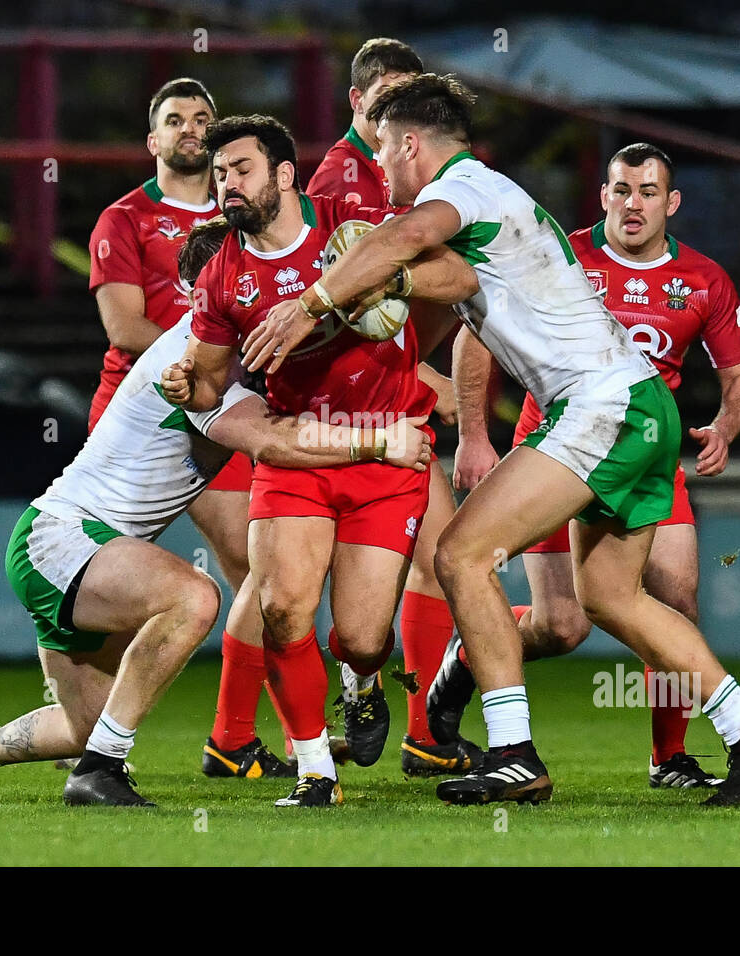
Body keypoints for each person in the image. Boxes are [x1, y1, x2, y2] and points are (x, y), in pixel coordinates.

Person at [256, 73, 740, 807]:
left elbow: (408, 239)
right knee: (610, 598)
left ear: (411, 143)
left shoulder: (465, 188)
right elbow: (446, 273)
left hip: (600, 407)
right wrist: (381, 282)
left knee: (461, 553)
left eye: (384, 148)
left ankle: (513, 751)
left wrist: (311, 302)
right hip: (637, 405)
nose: (380, 165)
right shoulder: (488, 202)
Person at [0, 220, 436, 808]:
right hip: (64, 540)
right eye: (246, 286)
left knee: (83, 727)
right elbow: (275, 441)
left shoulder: (232, 355)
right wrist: (382, 441)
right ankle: (100, 773)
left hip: (74, 549)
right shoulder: (195, 372)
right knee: (194, 597)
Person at [160, 114, 479, 807]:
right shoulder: (223, 277)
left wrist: (387, 282)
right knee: (281, 608)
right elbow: (212, 380)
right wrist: (188, 383)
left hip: (387, 450)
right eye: (218, 175)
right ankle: (314, 773)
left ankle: (362, 683)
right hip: (297, 450)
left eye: (241, 169)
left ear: (283, 174)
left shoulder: (355, 226)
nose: (227, 185)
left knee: (363, 638)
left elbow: (459, 277)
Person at [434, 142, 740, 790]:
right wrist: (474, 434)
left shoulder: (703, 279)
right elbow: (477, 330)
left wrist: (727, 424)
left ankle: (668, 756)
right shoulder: (565, 257)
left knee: (676, 596)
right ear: (603, 195)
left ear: (670, 203)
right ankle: (471, 655)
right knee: (563, 626)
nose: (632, 203)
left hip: (643, 447)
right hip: (555, 447)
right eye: (620, 189)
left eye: (647, 191)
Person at [85, 78, 288, 777]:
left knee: (262, 569)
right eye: (175, 120)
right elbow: (123, 328)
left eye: (203, 118)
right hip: (141, 417)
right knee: (101, 581)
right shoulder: (123, 219)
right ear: (153, 140)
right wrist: (210, 352)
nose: (192, 130)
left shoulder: (241, 214)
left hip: (214, 409)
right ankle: (89, 727)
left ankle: (247, 736)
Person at [306, 36, 479, 776]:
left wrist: (425, 368)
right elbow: (331, 301)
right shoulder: (337, 181)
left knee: (437, 563)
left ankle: (419, 731)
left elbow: (446, 280)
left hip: (396, 397)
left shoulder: (419, 177)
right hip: (336, 409)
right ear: (358, 102)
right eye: (390, 97)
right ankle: (257, 728)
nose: (403, 115)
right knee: (284, 586)